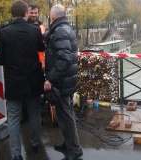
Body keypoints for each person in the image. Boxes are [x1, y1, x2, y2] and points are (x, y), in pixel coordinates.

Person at [0, 1, 45, 160]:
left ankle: (16, 154)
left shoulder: (3, 32)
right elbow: (42, 49)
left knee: (14, 118)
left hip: (14, 82)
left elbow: (0, 60)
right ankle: (35, 143)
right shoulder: (34, 30)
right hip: (33, 80)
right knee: (34, 114)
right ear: (26, 14)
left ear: (12, 14)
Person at [44, 4, 83, 160]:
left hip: (62, 81)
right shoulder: (64, 29)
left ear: (53, 16)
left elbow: (65, 58)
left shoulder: (60, 31)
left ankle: (75, 148)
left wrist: (50, 79)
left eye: (49, 16)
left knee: (65, 114)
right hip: (66, 79)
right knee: (66, 112)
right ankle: (68, 143)